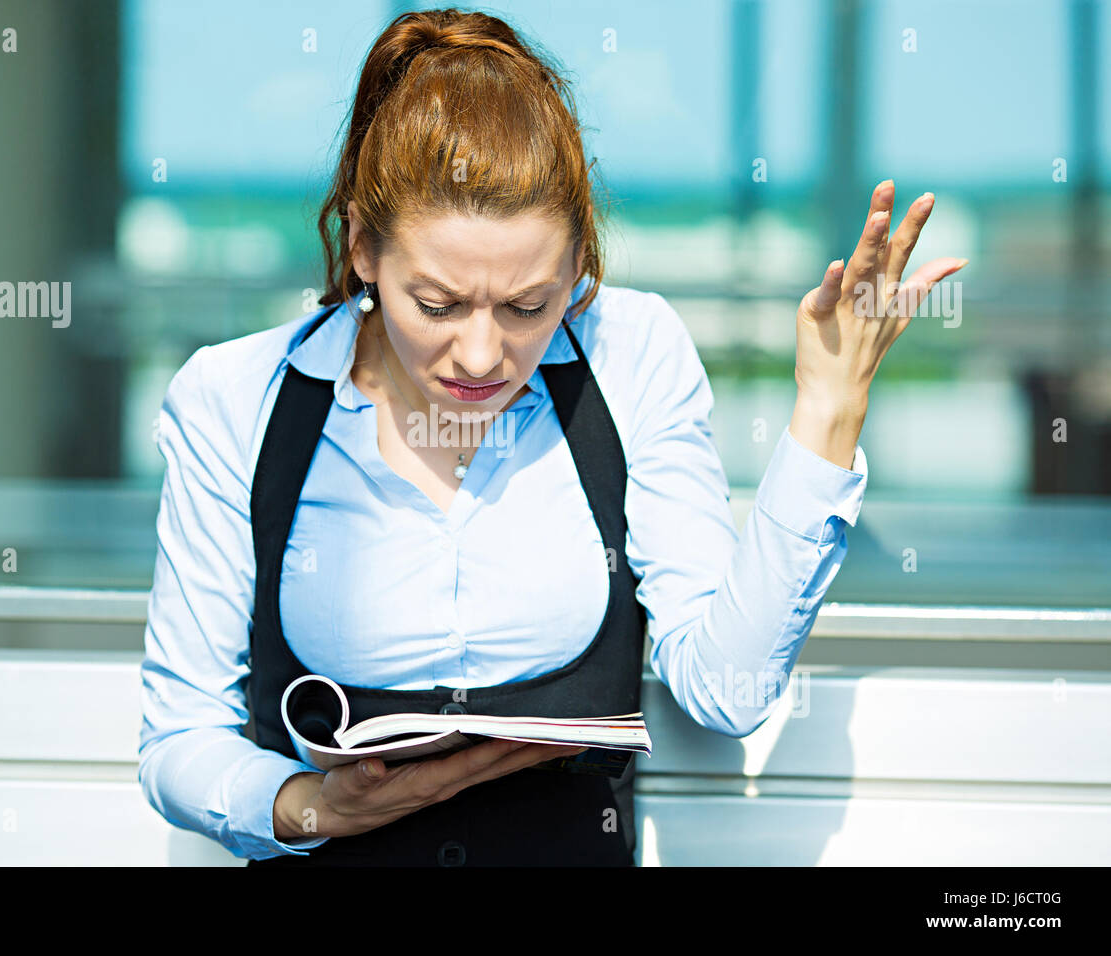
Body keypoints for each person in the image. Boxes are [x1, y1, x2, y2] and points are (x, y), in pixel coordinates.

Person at [137, 7, 967, 867]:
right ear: (363, 250)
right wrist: (317, 808)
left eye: (530, 305)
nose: (484, 354)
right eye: (438, 304)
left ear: (580, 268)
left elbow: (727, 692)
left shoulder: (631, 356)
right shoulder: (238, 399)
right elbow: (178, 741)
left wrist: (827, 409)